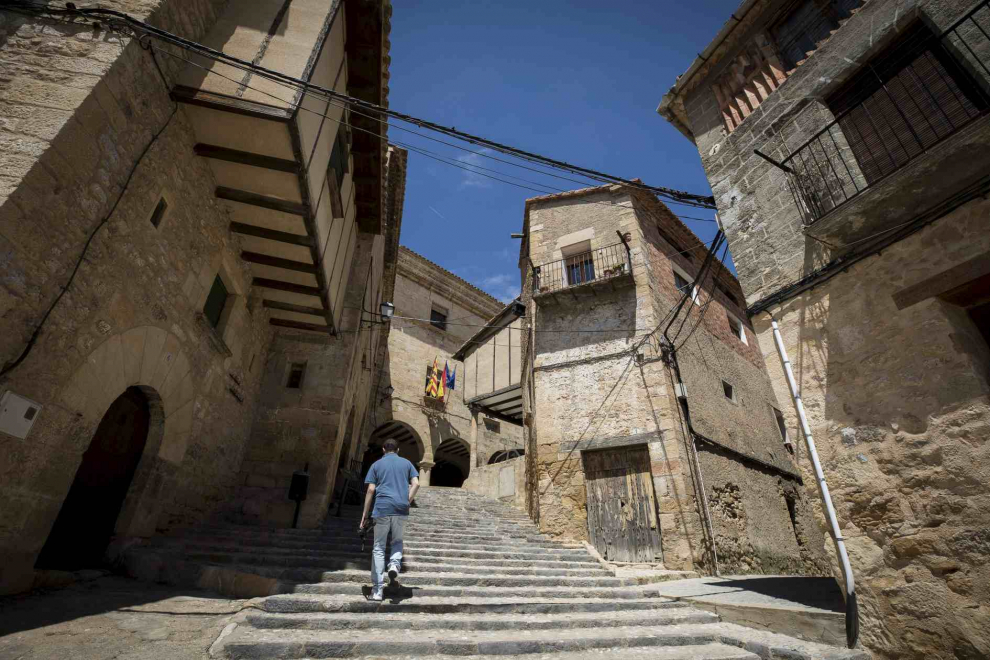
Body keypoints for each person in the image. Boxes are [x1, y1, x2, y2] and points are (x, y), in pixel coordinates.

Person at [359, 438, 420, 601]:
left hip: (382, 508)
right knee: (397, 541)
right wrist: (407, 500)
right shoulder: (407, 463)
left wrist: (364, 515)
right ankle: (394, 564)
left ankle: (378, 591)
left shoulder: (376, 464)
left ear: (384, 450)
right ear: (398, 450)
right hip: (401, 508)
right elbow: (416, 483)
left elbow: (371, 490)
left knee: (378, 547)